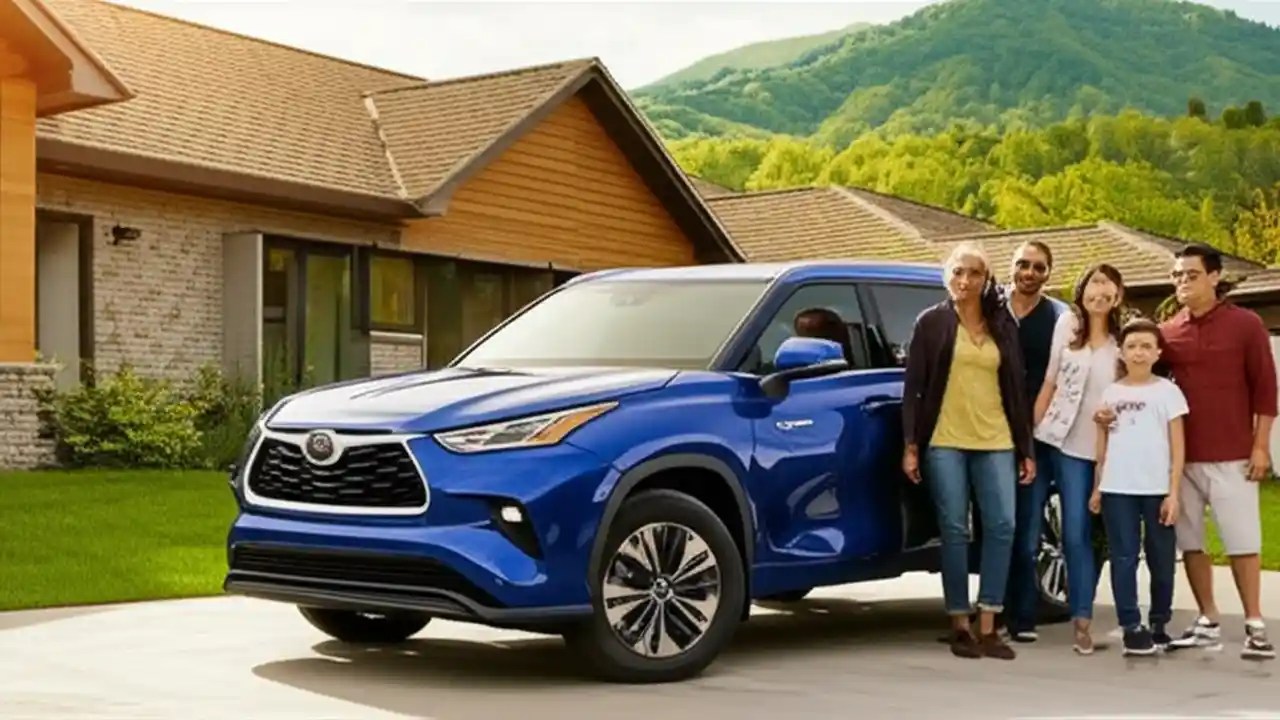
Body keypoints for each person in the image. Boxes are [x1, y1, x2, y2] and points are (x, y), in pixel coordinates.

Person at [902, 241, 1036, 660]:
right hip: (945, 439)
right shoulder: (931, 323)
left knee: (1001, 526)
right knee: (955, 529)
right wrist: (910, 445)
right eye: (958, 272)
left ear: (986, 279)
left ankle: (990, 622)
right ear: (948, 276)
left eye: (974, 273)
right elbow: (913, 389)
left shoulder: (1002, 324)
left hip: (996, 438)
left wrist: (1025, 447)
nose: (965, 280)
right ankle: (959, 622)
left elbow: (1015, 388)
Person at [1160, 244, 1276, 659]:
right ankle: (1207, 619)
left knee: (1243, 541)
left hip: (1234, 456)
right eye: (1176, 276)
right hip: (1182, 460)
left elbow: (1266, 389)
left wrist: (1261, 445)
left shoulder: (1246, 325)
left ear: (1214, 277)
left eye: (1191, 274)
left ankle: (1255, 624)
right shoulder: (1168, 330)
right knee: (1190, 542)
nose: (1182, 282)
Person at [1031, 263, 1126, 654]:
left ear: (1118, 296)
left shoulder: (1125, 342)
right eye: (1093, 286)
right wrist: (1029, 436)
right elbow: (1050, 380)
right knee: (1037, 528)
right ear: (1082, 292)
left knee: (1078, 534)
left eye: (1108, 287)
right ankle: (1015, 614)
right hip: (1053, 437)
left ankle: (1082, 621)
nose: (1099, 293)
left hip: (1095, 448)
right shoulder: (1067, 325)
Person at [1090, 318, 1187, 656]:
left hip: (1157, 488)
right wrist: (1097, 487)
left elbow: (1178, 447)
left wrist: (1174, 493)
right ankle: (1131, 625)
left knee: (1161, 558)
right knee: (1124, 557)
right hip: (1118, 489)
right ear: (1122, 352)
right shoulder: (1112, 393)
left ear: (1158, 352)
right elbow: (1102, 444)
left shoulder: (1168, 392)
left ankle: (1159, 623)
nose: (1139, 352)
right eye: (1132, 346)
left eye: (1146, 346)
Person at [1002, 241, 1067, 644]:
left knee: (1027, 530)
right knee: (993, 528)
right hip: (987, 432)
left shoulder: (1059, 318)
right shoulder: (991, 310)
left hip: (1036, 436)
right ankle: (988, 609)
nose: (1029, 272)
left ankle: (1022, 617)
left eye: (1038, 267)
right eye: (1022, 264)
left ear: (1048, 273)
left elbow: (1062, 377)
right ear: (1010, 267)